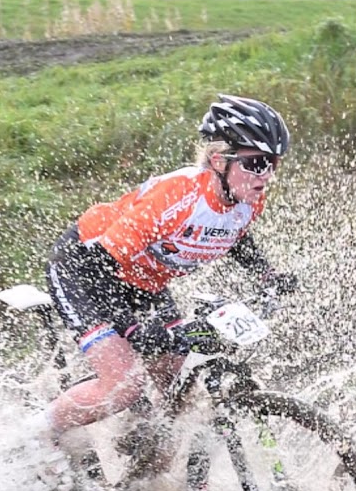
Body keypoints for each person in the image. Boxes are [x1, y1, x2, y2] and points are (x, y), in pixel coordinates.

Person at [20, 95, 298, 466]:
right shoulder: (178, 196)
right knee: (123, 384)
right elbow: (97, 266)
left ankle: (142, 465)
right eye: (257, 163)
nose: (267, 175)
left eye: (273, 164)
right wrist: (134, 331)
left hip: (143, 282)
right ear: (219, 160)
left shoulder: (248, 197)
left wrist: (267, 275)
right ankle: (32, 437)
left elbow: (232, 235)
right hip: (85, 269)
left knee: (177, 387)